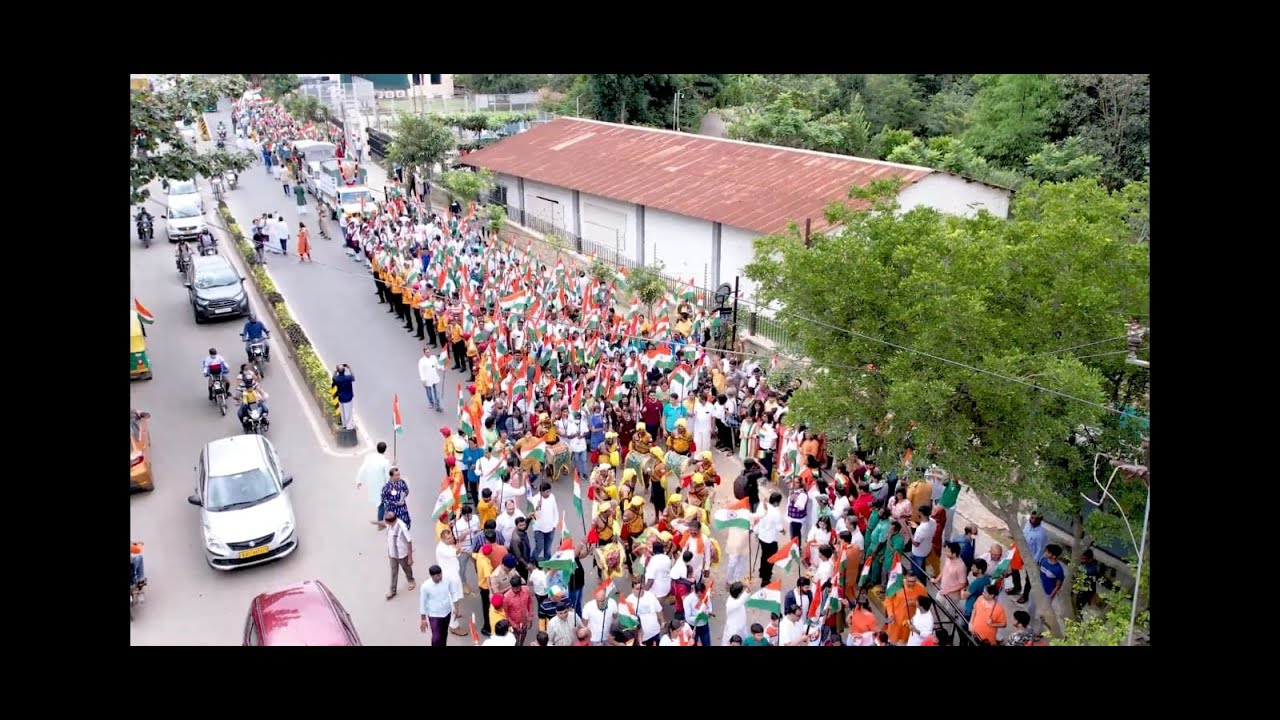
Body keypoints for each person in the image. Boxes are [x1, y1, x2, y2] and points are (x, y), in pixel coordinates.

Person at [419, 565, 460, 647]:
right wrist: (423, 619)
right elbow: (422, 603)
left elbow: (453, 592)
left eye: (441, 574)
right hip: (434, 615)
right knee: (436, 638)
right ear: (432, 576)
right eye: (437, 575)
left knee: (444, 634)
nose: (440, 577)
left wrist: (456, 607)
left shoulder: (447, 580)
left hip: (447, 612)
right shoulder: (425, 586)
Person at [356, 441, 393, 528]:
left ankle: (383, 522)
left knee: (380, 503)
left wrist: (358, 480)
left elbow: (362, 468)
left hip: (371, 484)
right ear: (385, 450)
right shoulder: (385, 462)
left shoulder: (369, 458)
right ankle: (381, 524)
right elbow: (387, 476)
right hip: (381, 486)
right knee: (382, 504)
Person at [1014, 511, 1048, 603]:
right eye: (1032, 517)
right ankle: (1016, 587)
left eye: (1035, 519)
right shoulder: (1027, 525)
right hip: (1021, 552)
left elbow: (1040, 550)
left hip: (1031, 557)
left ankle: (1025, 596)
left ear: (1040, 520)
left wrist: (1033, 562)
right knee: (1014, 568)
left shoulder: (1041, 534)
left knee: (1029, 577)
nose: (1032, 520)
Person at [754, 492, 784, 585]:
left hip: (762, 536)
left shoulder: (761, 506)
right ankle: (766, 578)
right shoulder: (776, 513)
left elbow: (757, 519)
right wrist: (783, 531)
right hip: (771, 539)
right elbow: (779, 528)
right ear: (776, 502)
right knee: (771, 558)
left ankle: (762, 571)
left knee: (764, 555)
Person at [385, 510, 414, 599]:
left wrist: (410, 557)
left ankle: (410, 580)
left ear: (390, 521)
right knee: (394, 572)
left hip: (402, 554)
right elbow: (383, 523)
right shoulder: (389, 525)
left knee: (406, 568)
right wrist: (375, 522)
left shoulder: (402, 528)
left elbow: (409, 542)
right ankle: (393, 590)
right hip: (392, 553)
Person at [530, 482, 559, 562]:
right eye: (547, 492)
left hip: (550, 528)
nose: (548, 493)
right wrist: (537, 508)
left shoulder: (552, 497)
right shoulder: (535, 499)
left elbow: (555, 511)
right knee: (539, 547)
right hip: (539, 529)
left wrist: (555, 524)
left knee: (548, 548)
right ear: (541, 492)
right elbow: (534, 518)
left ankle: (547, 562)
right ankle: (532, 560)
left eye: (549, 491)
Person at [721, 581, 747, 646]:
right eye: (742, 591)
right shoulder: (732, 603)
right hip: (734, 630)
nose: (743, 592)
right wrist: (747, 587)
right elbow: (744, 598)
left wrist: (744, 584)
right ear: (738, 593)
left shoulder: (734, 598)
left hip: (740, 627)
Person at [418, 347, 443, 412]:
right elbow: (421, 371)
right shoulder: (422, 361)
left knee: (436, 391)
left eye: (429, 352)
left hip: (434, 377)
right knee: (429, 391)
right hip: (427, 379)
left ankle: (438, 405)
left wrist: (442, 368)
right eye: (426, 352)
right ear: (424, 353)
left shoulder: (433, 358)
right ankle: (431, 402)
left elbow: (437, 365)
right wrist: (423, 379)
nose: (428, 353)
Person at [332, 364, 356, 430]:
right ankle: (349, 426)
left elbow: (333, 378)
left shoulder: (336, 379)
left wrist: (335, 371)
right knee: (348, 412)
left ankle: (344, 424)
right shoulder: (348, 378)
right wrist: (350, 368)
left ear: (338, 371)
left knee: (343, 412)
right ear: (344, 370)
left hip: (341, 398)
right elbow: (353, 377)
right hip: (348, 398)